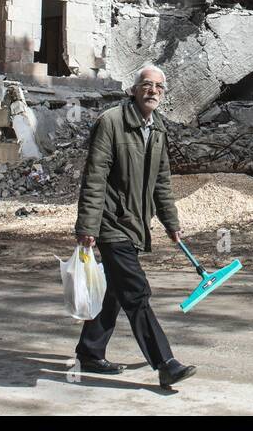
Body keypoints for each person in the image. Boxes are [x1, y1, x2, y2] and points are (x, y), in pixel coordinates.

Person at [74, 65, 196, 388]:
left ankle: (90, 350)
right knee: (136, 291)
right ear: (134, 89)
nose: (152, 90)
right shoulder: (111, 123)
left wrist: (171, 222)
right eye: (146, 84)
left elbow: (162, 183)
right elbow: (95, 177)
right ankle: (165, 362)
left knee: (115, 290)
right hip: (109, 223)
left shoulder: (157, 131)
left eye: (159, 86)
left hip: (135, 225)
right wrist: (87, 225)